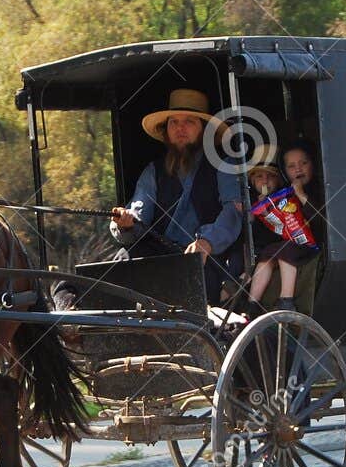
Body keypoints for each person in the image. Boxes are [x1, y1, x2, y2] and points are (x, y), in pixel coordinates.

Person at [106, 87, 245, 300]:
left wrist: (207, 242)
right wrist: (126, 222)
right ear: (166, 130)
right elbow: (138, 211)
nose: (180, 128)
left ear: (204, 129)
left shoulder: (224, 166)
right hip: (160, 258)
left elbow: (233, 213)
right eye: (174, 122)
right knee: (117, 265)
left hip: (207, 261)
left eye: (189, 121)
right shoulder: (153, 171)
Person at [245, 163, 319, 310]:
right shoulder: (255, 204)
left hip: (303, 243)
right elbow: (272, 231)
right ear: (252, 182)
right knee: (266, 256)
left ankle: (286, 300)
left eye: (270, 176)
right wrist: (262, 214)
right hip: (276, 246)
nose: (265, 181)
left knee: (284, 251)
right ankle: (252, 304)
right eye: (260, 176)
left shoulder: (287, 195)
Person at [279, 141, 326, 315]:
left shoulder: (323, 189)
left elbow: (322, 221)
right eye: (291, 166)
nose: (298, 169)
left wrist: (302, 195)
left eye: (303, 163)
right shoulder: (282, 195)